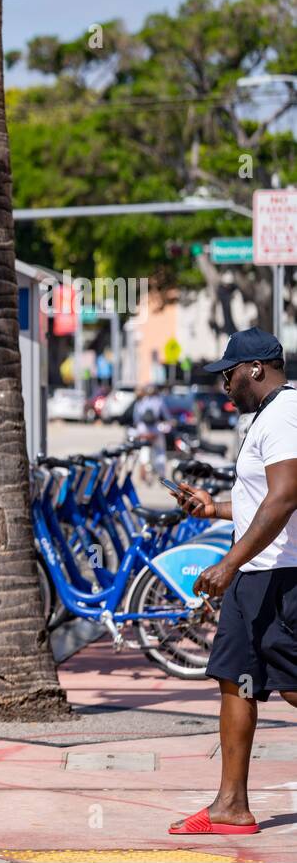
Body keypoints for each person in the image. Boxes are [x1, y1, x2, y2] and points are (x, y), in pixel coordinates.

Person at [170, 327, 297, 836]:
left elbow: (286, 497)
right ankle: (230, 805)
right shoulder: (269, 417)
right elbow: (260, 502)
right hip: (255, 574)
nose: (225, 386)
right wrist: (214, 508)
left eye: (229, 375)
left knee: (291, 685)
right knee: (236, 680)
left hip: (280, 575)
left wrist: (227, 564)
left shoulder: (286, 414)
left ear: (257, 370)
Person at [132, 384, 171, 483]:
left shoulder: (140, 402)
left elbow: (136, 419)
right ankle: (162, 476)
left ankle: (143, 474)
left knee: (143, 452)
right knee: (160, 452)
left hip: (143, 431)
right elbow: (167, 417)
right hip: (155, 431)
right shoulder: (159, 401)